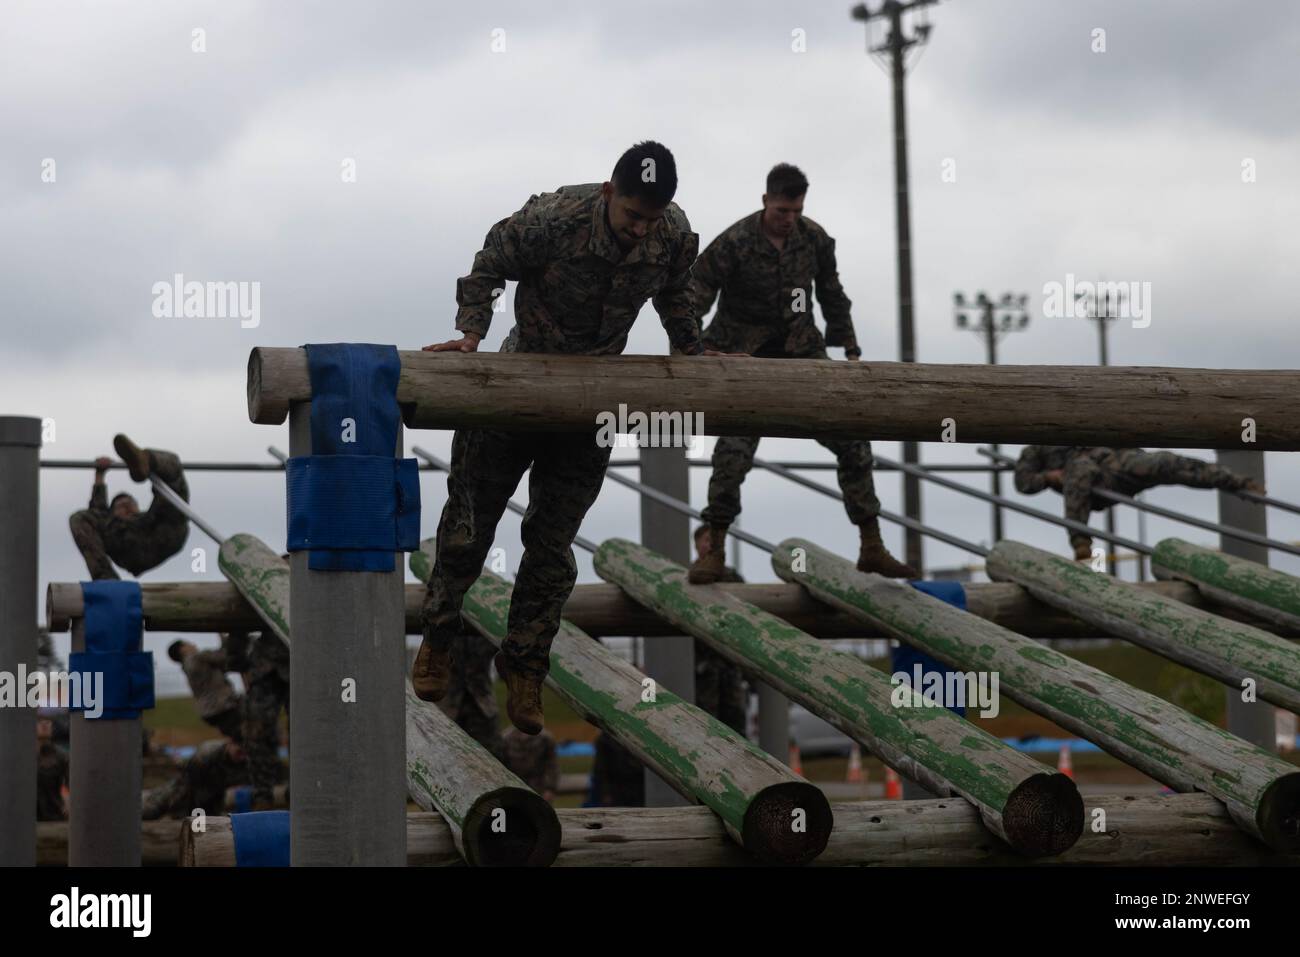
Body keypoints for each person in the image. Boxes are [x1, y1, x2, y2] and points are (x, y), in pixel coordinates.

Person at [414, 141, 739, 735]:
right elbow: (489, 262)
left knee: (551, 544)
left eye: (651, 219)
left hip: (590, 402)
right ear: (611, 193)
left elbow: (675, 291)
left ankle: (526, 665)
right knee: (467, 529)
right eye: (632, 217)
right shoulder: (556, 218)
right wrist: (470, 334)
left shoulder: (671, 234)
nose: (640, 231)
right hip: (517, 387)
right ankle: (439, 635)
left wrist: (690, 348)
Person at [686, 163, 914, 584]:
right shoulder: (735, 241)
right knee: (732, 455)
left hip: (801, 350)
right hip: (742, 354)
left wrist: (849, 347)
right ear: (765, 202)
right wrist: (691, 346)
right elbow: (696, 288)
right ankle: (713, 547)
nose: (788, 220)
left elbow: (831, 292)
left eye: (795, 211)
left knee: (851, 439)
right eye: (781, 211)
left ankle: (871, 544)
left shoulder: (814, 239)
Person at [1014, 446, 1266, 559]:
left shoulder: (1091, 421)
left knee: (1165, 463)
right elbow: (1023, 482)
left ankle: (1237, 482)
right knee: (1080, 469)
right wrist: (1048, 476)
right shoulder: (1037, 448)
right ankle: (1080, 541)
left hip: (1117, 466)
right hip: (1089, 485)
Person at [68, 435, 190, 581]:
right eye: (121, 506)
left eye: (130, 504)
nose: (127, 507)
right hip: (129, 548)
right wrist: (99, 475)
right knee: (80, 518)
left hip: (157, 536)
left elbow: (164, 511)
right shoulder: (111, 525)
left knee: (174, 470)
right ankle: (106, 579)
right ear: (112, 512)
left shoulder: (149, 517)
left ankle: (145, 460)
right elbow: (97, 512)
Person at [689, 525, 748, 735]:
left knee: (735, 721)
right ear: (696, 545)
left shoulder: (731, 577)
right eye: (705, 540)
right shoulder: (687, 576)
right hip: (700, 665)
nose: (710, 545)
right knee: (703, 722)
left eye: (714, 541)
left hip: (729, 662)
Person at [225, 630, 290, 812]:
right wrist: (237, 660)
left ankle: (301, 790)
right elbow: (241, 617)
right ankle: (263, 797)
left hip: (307, 659)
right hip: (266, 666)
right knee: (255, 733)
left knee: (306, 733)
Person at [141, 738, 249, 820]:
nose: (241, 757)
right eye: (239, 752)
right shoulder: (208, 753)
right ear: (230, 744)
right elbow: (192, 782)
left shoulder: (245, 762)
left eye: (244, 754)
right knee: (154, 808)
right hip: (187, 786)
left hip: (214, 793)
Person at [168, 638, 242, 741]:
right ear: (182, 650)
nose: (193, 644)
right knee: (246, 736)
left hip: (210, 711)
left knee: (239, 738)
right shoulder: (198, 657)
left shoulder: (186, 666)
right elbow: (225, 656)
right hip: (223, 706)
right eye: (188, 643)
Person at [501, 726, 558, 802]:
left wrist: (549, 789)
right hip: (513, 788)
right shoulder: (506, 737)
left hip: (538, 788)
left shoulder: (545, 738)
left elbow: (551, 765)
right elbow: (502, 766)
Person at [589, 732, 645, 807]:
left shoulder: (639, 736)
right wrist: (606, 792)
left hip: (639, 787)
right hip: (616, 788)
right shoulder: (606, 739)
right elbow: (601, 769)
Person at [36, 713, 69, 822]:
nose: (45, 724)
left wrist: (69, 805)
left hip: (53, 816)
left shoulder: (61, 756)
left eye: (48, 721)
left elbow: (71, 785)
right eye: (40, 721)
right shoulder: (22, 755)